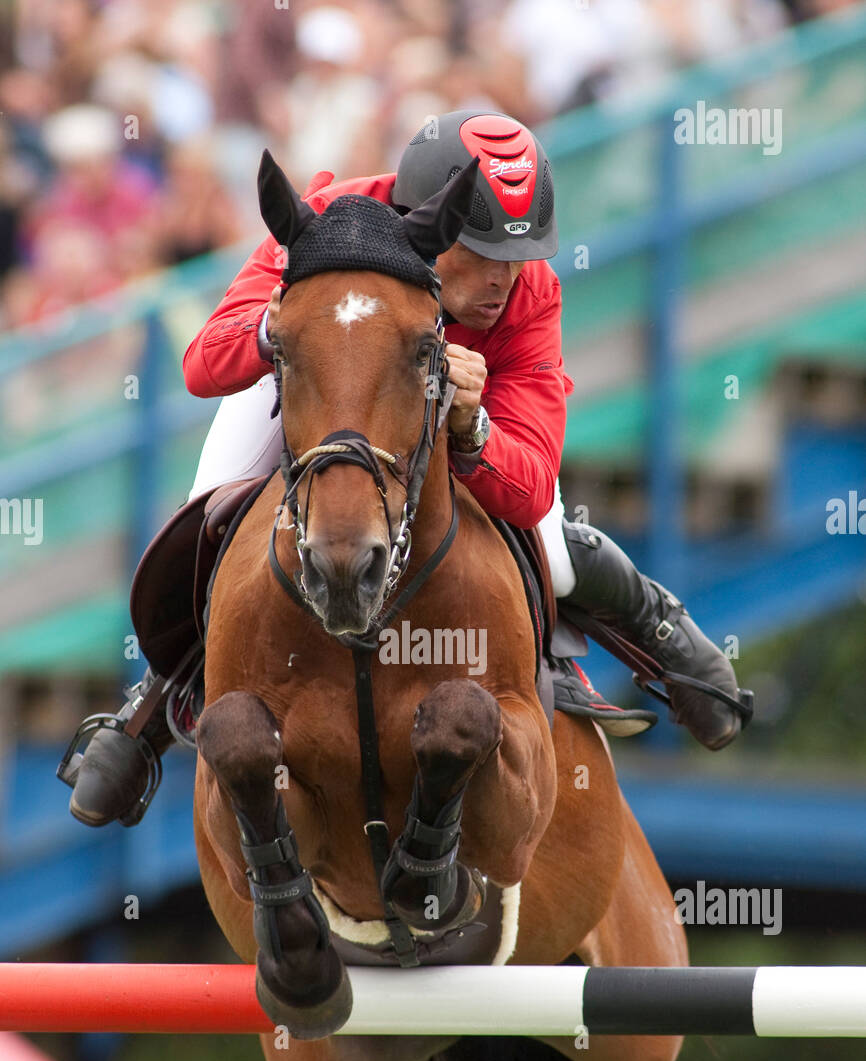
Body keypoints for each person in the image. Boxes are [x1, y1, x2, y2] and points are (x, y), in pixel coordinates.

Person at [62, 109, 744, 830]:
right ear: (432, 222)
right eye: (480, 253)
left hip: (450, 427)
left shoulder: (530, 291)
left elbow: (533, 477)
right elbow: (204, 362)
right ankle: (147, 711)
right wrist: (280, 328)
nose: (502, 279)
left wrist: (471, 426)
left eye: (516, 255)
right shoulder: (324, 221)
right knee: (211, 516)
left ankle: (656, 626)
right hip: (315, 395)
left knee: (554, 553)